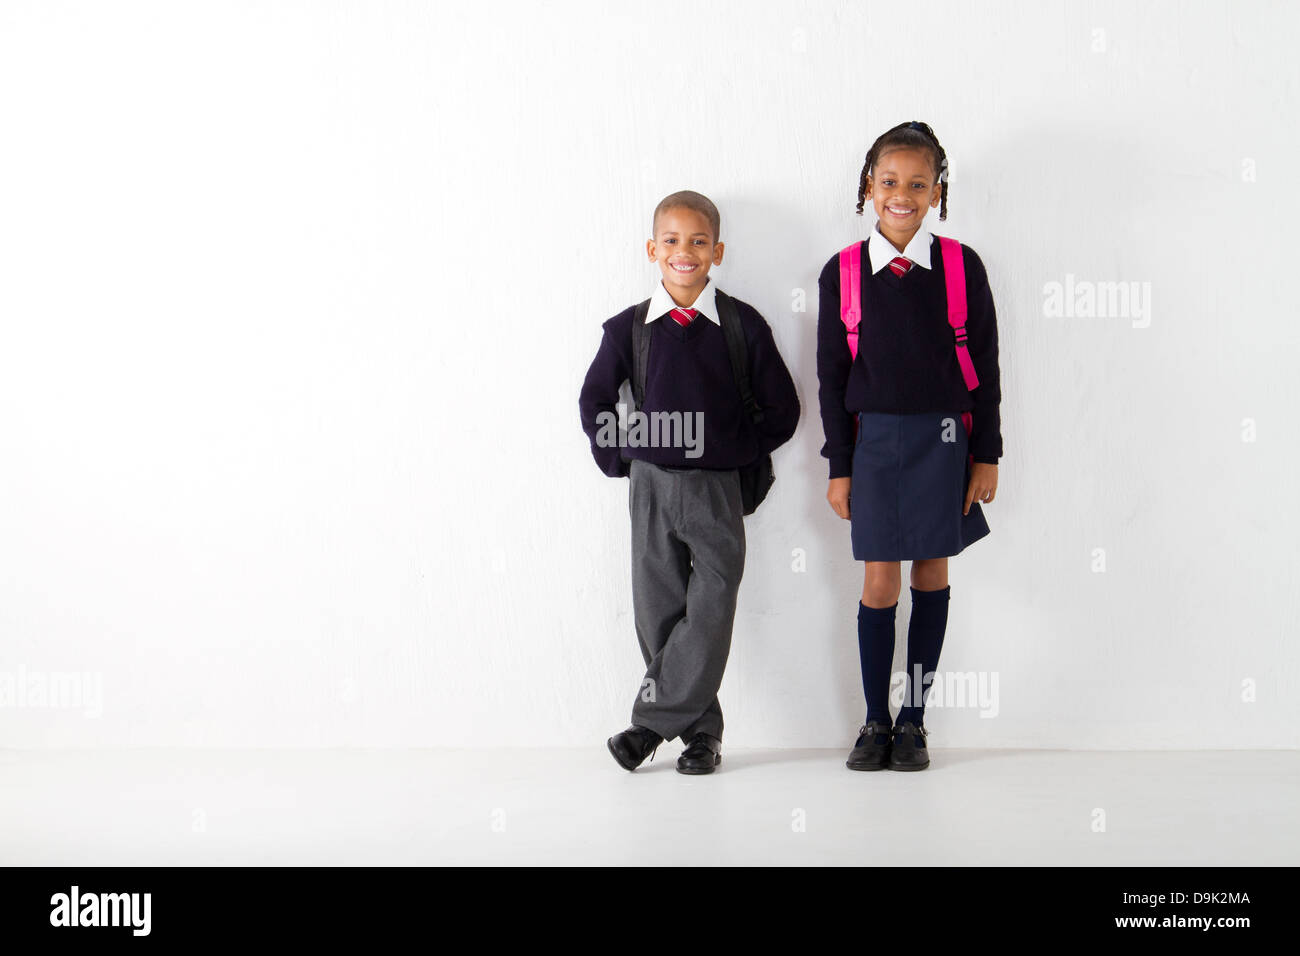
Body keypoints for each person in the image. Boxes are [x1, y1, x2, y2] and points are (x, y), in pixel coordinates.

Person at [579, 190, 799, 774]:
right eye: (672, 241)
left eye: (698, 241)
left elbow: (784, 410)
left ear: (717, 250)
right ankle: (702, 735)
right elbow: (595, 399)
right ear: (653, 249)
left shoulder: (742, 325)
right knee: (658, 610)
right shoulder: (629, 328)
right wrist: (621, 455)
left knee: (710, 606)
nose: (685, 252)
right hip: (650, 485)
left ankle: (649, 727)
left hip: (715, 488)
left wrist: (736, 448)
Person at [816, 122, 1004, 772]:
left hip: (946, 441)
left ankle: (914, 721)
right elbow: (831, 377)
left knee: (932, 573)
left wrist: (989, 453)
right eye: (889, 181)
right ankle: (874, 721)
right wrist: (838, 465)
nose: (902, 194)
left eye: (917, 184)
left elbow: (985, 362)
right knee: (877, 579)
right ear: (869, 186)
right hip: (874, 445)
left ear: (936, 191)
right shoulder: (842, 273)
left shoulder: (960, 266)